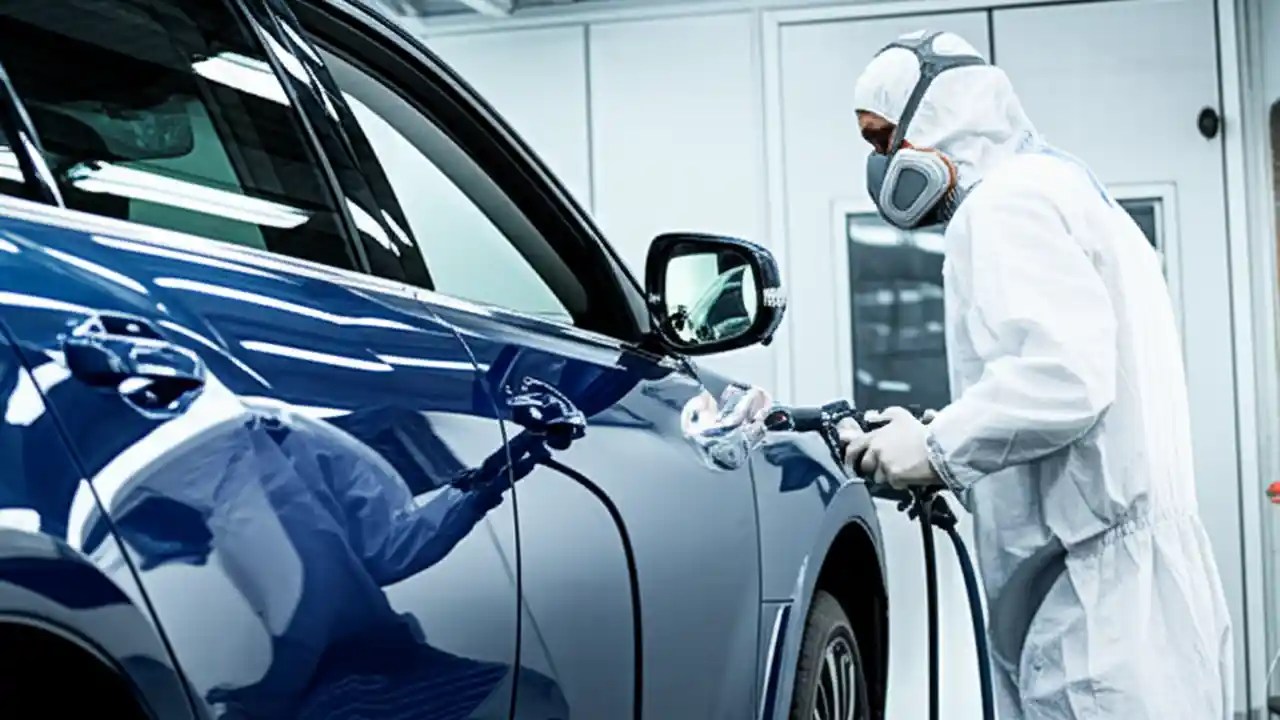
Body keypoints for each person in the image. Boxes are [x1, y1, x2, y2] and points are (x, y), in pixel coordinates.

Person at [840, 30, 1233, 719]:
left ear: (937, 118)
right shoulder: (1070, 193)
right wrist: (940, 439)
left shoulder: (1001, 207)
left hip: (1094, 622)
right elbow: (1076, 401)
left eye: (883, 140)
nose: (881, 166)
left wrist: (937, 449)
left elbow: (1064, 379)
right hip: (1138, 600)